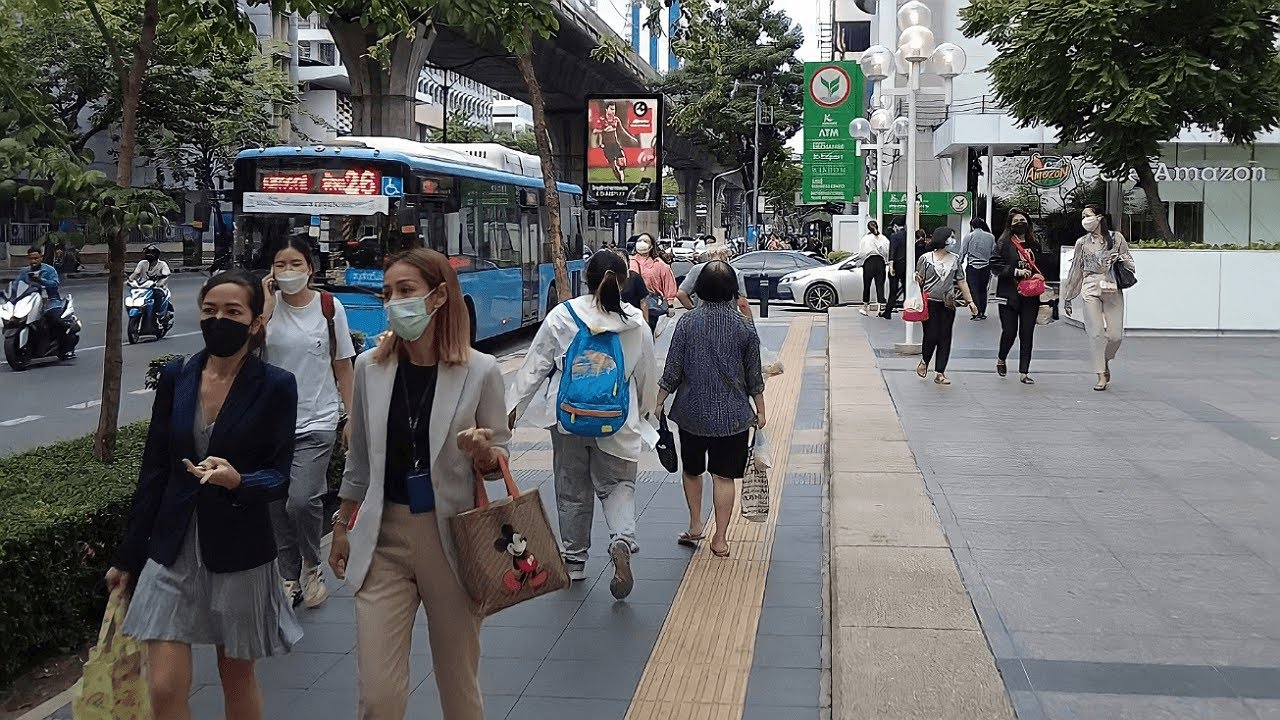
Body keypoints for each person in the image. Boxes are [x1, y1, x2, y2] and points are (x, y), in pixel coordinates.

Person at [106, 270, 301, 720]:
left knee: (236, 677)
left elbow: (279, 475)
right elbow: (154, 469)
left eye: (233, 312)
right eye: (210, 311)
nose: (219, 320)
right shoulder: (177, 376)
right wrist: (128, 556)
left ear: (255, 322)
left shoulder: (275, 385)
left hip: (239, 552)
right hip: (171, 548)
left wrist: (238, 480)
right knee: (165, 687)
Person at [328, 248, 509, 720]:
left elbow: (499, 458)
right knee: (379, 697)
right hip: (383, 539)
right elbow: (360, 460)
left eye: (406, 291)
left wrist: (485, 451)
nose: (394, 303)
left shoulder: (480, 370)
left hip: (451, 540)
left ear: (439, 296)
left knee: (458, 686)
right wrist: (343, 523)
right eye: (388, 293)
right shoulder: (371, 368)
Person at [507, 251, 656, 599]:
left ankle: (574, 562)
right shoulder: (635, 323)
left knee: (572, 489)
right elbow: (647, 376)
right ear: (624, 282)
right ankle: (621, 539)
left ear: (585, 277)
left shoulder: (564, 315)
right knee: (619, 485)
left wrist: (511, 410)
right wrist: (648, 413)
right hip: (618, 419)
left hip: (568, 419)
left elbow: (535, 366)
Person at [260, 238, 356, 609]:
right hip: (270, 426)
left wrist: (351, 418)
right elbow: (245, 355)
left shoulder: (329, 309)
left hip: (318, 420)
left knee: (300, 502)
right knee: (275, 503)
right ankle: (289, 576)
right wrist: (265, 309)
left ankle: (312, 564)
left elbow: (343, 366)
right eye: (280, 265)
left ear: (310, 269)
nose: (287, 272)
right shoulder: (264, 311)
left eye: (295, 264)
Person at [658, 261, 766, 558]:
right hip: (733, 417)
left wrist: (658, 401)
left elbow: (673, 369)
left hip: (691, 414)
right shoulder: (744, 325)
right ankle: (720, 538)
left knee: (692, 471)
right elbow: (754, 374)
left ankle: (695, 526)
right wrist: (761, 409)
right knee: (724, 477)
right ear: (733, 289)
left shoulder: (687, 322)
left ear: (701, 289)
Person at [1063, 204, 1136, 391]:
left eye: (1088, 215)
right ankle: (1101, 374)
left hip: (1111, 285)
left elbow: (1128, 260)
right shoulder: (1082, 242)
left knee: (1115, 335)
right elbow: (1076, 270)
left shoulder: (1116, 238)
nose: (1085, 219)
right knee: (1096, 333)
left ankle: (1105, 359)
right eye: (1083, 216)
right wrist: (1069, 296)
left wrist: (1119, 261)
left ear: (1099, 217)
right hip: (1090, 285)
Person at [914, 228, 979, 385]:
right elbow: (919, 279)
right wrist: (916, 279)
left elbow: (961, 281)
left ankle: (940, 372)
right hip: (929, 302)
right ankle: (925, 360)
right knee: (931, 335)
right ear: (942, 239)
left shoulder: (955, 259)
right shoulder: (926, 258)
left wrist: (970, 301)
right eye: (950, 237)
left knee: (945, 337)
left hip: (948, 303)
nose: (953, 240)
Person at [990, 208, 1045, 384]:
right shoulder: (1004, 243)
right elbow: (995, 265)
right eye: (1016, 221)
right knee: (1009, 332)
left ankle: (1024, 372)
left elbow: (1044, 264)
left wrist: (1040, 274)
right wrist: (1014, 271)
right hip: (1009, 295)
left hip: (1031, 295)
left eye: (1023, 220)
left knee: (1027, 333)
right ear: (1010, 225)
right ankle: (1001, 357)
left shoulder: (1034, 244)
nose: (1020, 223)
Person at [23, 247, 75, 359]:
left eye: (36, 258)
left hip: (50, 302)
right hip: (30, 303)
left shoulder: (49, 270)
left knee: (57, 321)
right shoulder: (25, 272)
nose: (33, 261)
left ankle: (65, 347)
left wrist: (41, 280)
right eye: (31, 259)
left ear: (41, 258)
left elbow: (55, 284)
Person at [677, 245, 753, 318]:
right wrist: (749, 324)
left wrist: (693, 309)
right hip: (729, 319)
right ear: (726, 256)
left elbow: (681, 294)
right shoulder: (735, 272)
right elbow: (742, 304)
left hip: (701, 317)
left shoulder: (696, 270)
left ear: (709, 255)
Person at [629, 234, 678, 334]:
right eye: (640, 240)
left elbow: (669, 284)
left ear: (651, 246)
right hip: (632, 305)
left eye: (645, 241)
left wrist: (670, 305)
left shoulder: (659, 264)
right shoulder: (629, 262)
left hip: (652, 306)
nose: (641, 243)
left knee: (648, 334)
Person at [959, 218, 996, 320]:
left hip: (972, 267)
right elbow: (994, 253)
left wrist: (958, 265)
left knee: (973, 290)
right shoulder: (991, 237)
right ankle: (982, 312)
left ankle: (976, 312)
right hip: (986, 268)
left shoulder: (969, 236)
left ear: (972, 226)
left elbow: (962, 252)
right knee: (983, 290)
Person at [593, 101, 638, 184]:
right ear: (606, 110)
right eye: (611, 109)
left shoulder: (616, 119)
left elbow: (622, 130)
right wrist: (604, 130)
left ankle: (621, 172)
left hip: (615, 144)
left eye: (614, 109)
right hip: (607, 146)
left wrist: (631, 137)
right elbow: (595, 131)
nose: (613, 111)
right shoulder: (602, 120)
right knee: (613, 166)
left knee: (623, 162)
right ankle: (621, 182)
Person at [130, 244, 173, 315]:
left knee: (158, 295)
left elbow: (166, 276)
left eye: (152, 252)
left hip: (159, 288)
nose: (150, 254)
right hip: (144, 287)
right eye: (148, 252)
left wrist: (159, 283)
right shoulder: (142, 263)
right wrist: (130, 280)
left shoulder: (162, 264)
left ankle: (157, 313)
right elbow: (136, 273)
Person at [858, 221, 889, 316]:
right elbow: (887, 252)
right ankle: (881, 308)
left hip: (869, 262)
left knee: (866, 285)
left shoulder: (865, 239)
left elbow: (861, 254)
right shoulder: (883, 238)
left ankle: (865, 307)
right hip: (880, 262)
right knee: (880, 285)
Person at [880, 218, 908, 319]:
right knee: (907, 290)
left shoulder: (894, 236)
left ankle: (888, 312)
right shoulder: (909, 235)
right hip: (907, 266)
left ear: (895, 226)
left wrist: (891, 266)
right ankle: (908, 311)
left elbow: (892, 251)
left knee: (893, 290)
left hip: (896, 266)